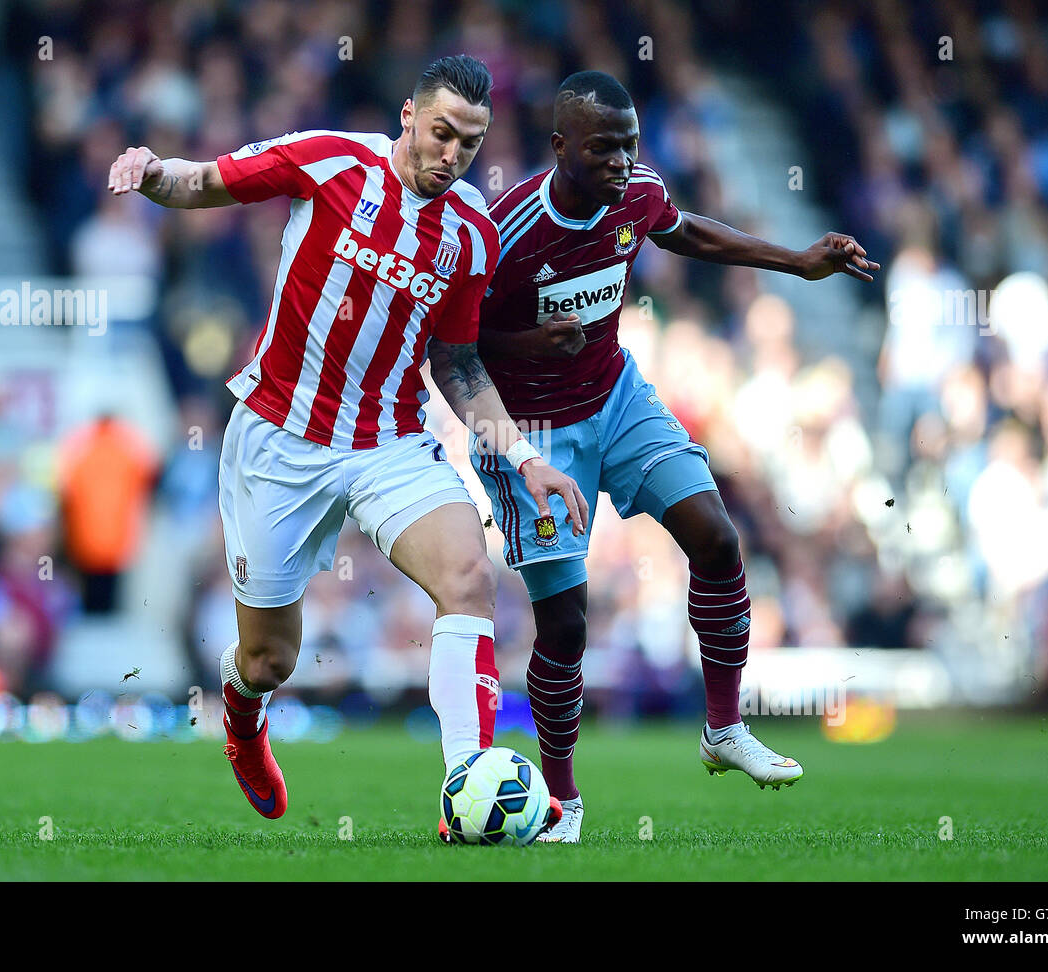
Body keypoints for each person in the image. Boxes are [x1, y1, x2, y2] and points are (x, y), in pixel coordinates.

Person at [106, 55, 589, 827]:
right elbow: (208, 181)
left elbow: (458, 364)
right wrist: (155, 171)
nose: (451, 155)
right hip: (278, 438)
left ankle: (467, 782)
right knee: (271, 659)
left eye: (469, 143)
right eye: (440, 134)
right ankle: (242, 717)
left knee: (468, 578)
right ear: (407, 116)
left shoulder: (470, 235)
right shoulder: (332, 160)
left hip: (389, 442)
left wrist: (525, 455)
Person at [474, 71, 880, 842]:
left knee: (718, 539)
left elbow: (683, 230)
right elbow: (452, 345)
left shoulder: (635, 190)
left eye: (630, 144)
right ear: (561, 146)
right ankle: (562, 799)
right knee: (565, 626)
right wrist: (529, 342)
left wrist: (795, 261)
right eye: (603, 148)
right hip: (531, 432)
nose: (623, 161)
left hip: (616, 396)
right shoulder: (508, 230)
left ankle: (723, 730)